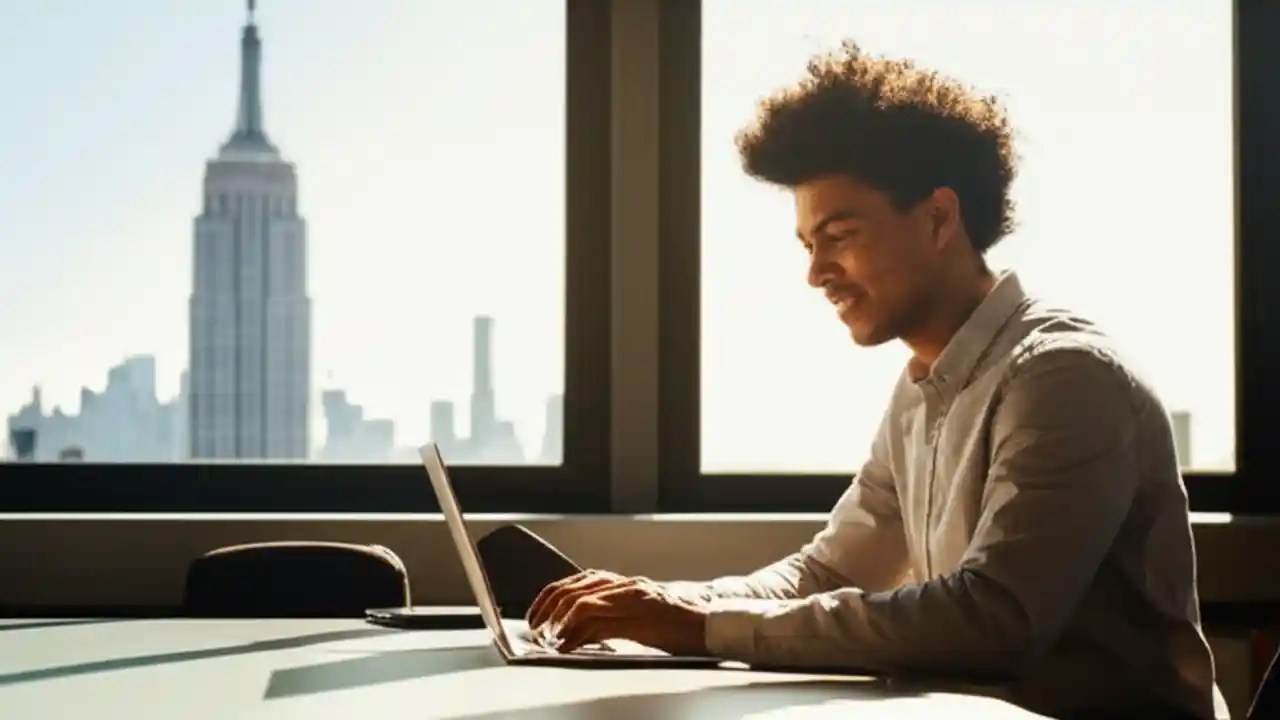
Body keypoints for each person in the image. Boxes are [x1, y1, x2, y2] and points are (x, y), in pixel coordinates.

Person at [526, 41, 1218, 719]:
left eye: (839, 235)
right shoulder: (922, 388)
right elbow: (825, 574)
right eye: (808, 244)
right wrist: (659, 604)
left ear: (939, 217)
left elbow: (993, 618)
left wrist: (699, 627)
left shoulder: (1064, 377)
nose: (816, 271)